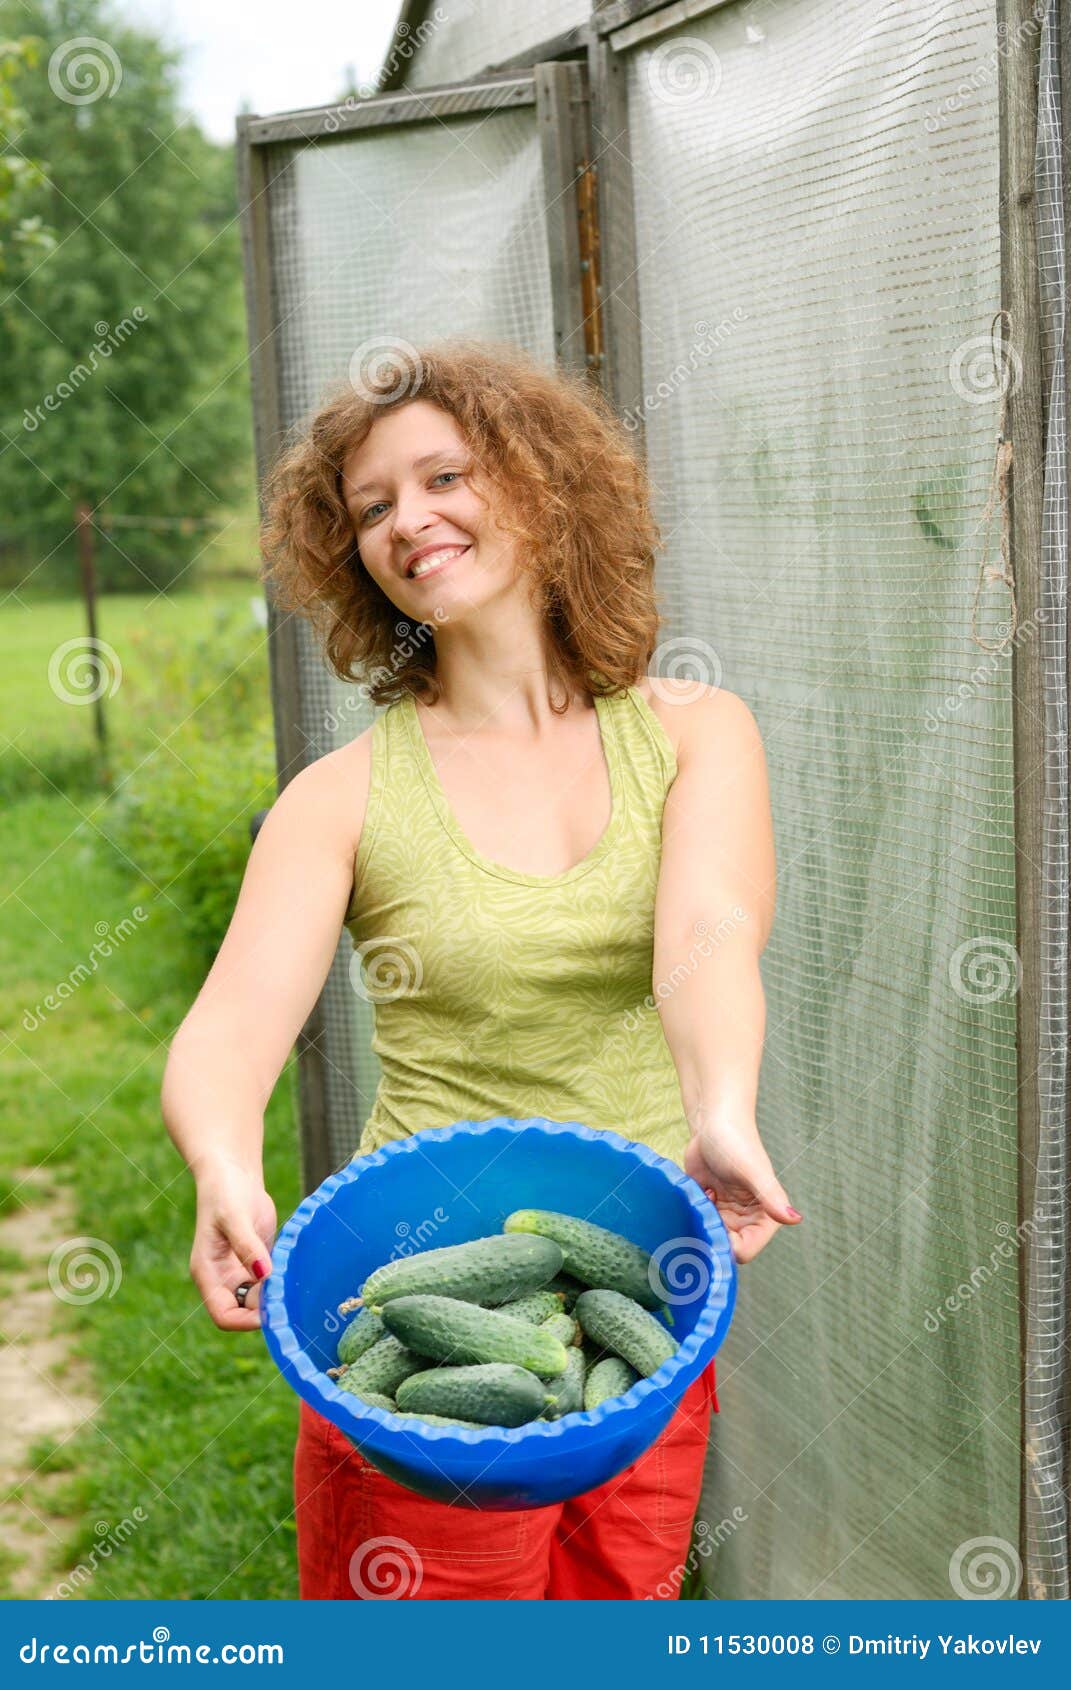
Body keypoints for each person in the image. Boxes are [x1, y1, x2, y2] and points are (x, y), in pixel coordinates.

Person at [160, 338, 802, 1600]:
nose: (410, 520)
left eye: (445, 476)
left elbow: (707, 936)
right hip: (420, 1308)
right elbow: (231, 1029)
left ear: (542, 486)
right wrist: (223, 1170)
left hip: (638, 1303)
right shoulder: (340, 798)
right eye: (373, 507)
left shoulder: (692, 734)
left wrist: (721, 1112)